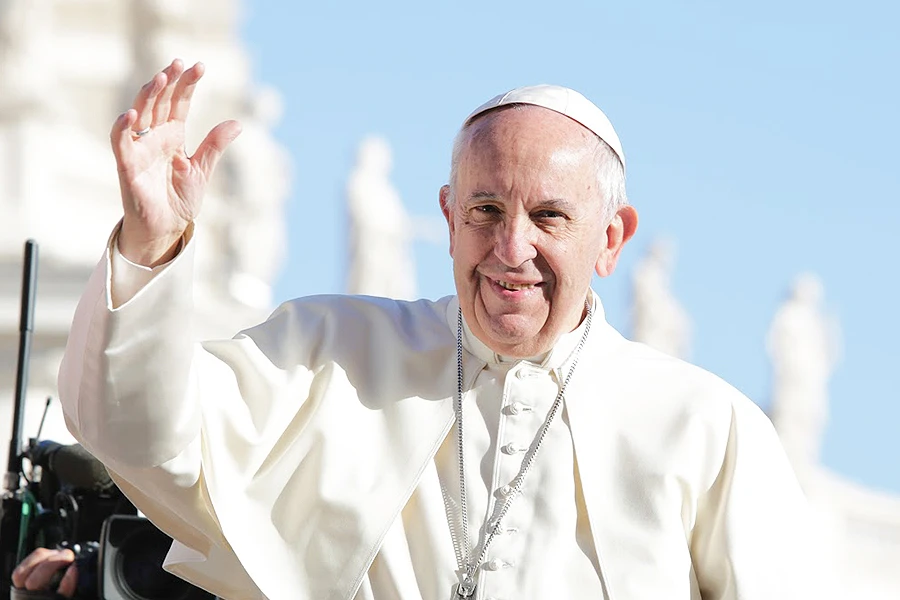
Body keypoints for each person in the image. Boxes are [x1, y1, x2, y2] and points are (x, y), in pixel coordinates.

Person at [58, 59, 818, 600]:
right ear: (450, 218)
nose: (511, 249)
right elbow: (139, 434)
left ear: (612, 239)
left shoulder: (708, 428)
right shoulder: (334, 355)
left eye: (549, 216)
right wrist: (152, 245)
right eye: (486, 211)